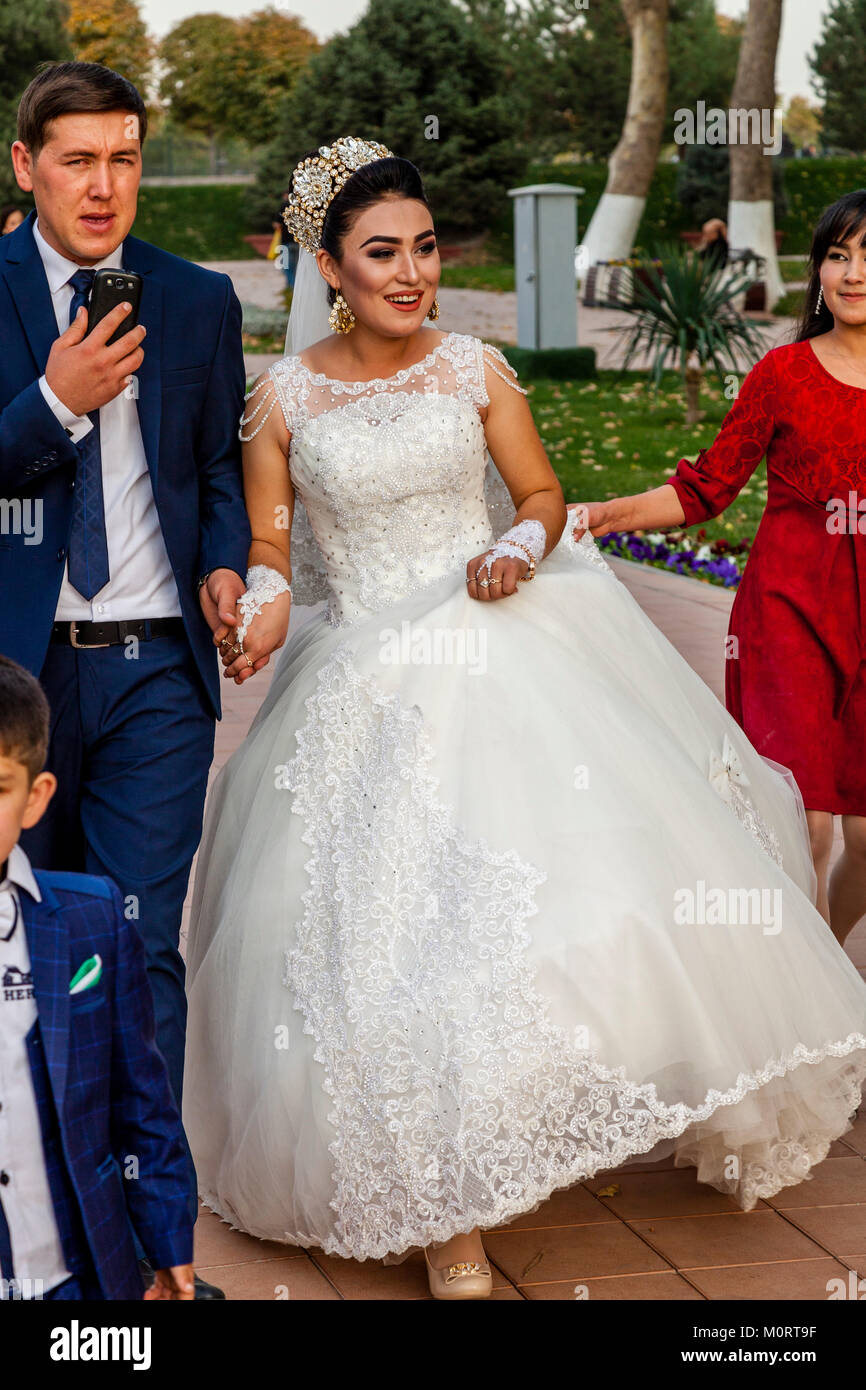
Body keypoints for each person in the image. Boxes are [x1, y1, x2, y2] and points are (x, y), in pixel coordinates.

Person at [183, 138, 866, 1301]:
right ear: (329, 271)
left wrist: (511, 541)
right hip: (360, 679)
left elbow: (540, 494)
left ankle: (512, 1140)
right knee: (378, 933)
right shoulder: (281, 399)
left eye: (425, 247)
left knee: (556, 905)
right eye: (379, 254)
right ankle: (440, 1205)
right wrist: (261, 600)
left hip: (503, 641)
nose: (410, 273)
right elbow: (270, 543)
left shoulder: (476, 371)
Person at [0, 61, 251, 1298]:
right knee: (23, 933)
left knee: (138, 944)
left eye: (126, 158)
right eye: (78, 159)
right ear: (26, 165)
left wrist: (223, 569)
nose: (105, 186)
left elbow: (213, 475)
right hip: (16, 676)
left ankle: (157, 1254)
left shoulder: (199, 301)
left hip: (154, 663)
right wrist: (55, 401)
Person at [573, 188, 866, 948]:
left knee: (865, 843)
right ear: (818, 272)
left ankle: (823, 960)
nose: (853, 273)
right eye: (838, 255)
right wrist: (611, 514)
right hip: (788, 613)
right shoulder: (783, 374)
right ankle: (819, 996)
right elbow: (706, 487)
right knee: (806, 823)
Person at [0, 655, 195, 1300]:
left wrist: (168, 1243)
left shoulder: (91, 921)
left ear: (35, 799)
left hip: (76, 1282)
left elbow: (142, 1097)